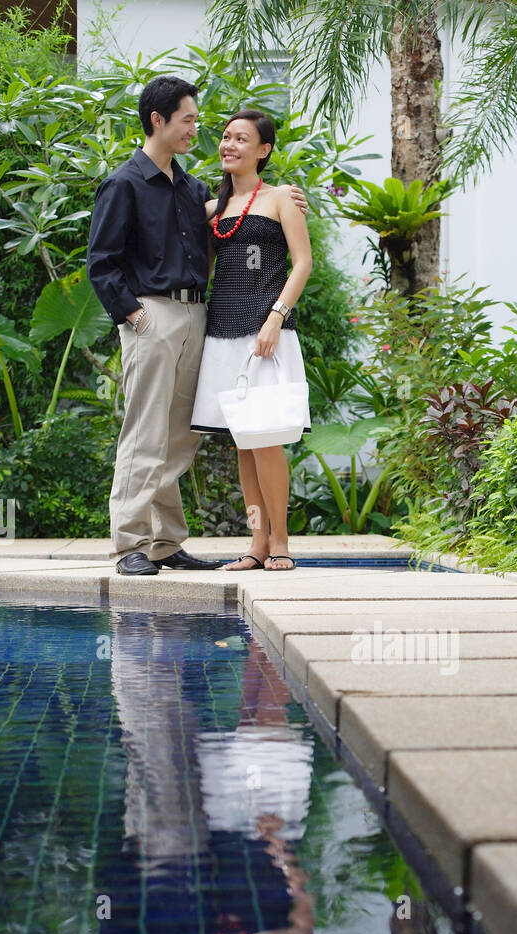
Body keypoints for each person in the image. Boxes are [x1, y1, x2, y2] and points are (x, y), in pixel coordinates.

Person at [87, 77, 308, 576]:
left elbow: (246, 220)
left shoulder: (194, 190)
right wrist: (134, 314)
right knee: (145, 432)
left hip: (201, 319)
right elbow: (101, 262)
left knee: (181, 436)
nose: (197, 130)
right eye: (188, 119)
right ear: (158, 120)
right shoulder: (123, 183)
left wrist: (285, 200)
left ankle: (166, 542)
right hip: (152, 316)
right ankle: (130, 546)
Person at [190, 109, 313, 571]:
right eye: (225, 137)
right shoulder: (211, 212)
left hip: (266, 335)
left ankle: (280, 542)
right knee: (242, 442)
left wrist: (276, 317)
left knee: (266, 438)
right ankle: (256, 542)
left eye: (241, 139)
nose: (229, 145)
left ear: (263, 150)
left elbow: (302, 263)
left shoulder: (282, 199)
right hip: (222, 333)